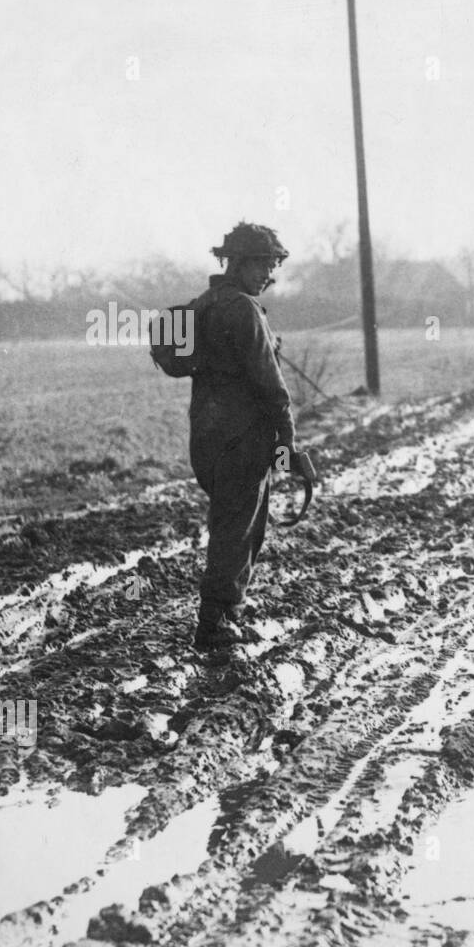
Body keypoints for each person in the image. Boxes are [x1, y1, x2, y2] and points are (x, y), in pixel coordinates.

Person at [189, 221, 306, 650]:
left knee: (227, 523)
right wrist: (287, 439)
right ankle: (215, 622)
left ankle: (226, 613)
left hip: (205, 436)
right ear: (236, 263)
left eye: (271, 264)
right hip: (243, 439)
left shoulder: (204, 304)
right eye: (259, 263)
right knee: (239, 530)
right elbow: (270, 383)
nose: (267, 273)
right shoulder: (244, 309)